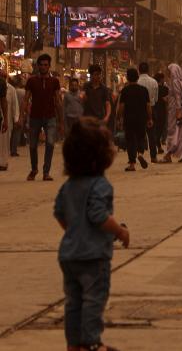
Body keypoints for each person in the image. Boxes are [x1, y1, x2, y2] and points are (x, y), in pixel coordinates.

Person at [53, 118, 129, 351]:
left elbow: (60, 214)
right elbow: (98, 216)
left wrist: (75, 231)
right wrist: (120, 231)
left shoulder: (68, 186)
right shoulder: (100, 184)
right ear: (100, 157)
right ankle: (91, 343)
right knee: (94, 300)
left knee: (73, 302)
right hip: (93, 257)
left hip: (69, 255)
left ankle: (74, 344)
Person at [24, 54, 63, 181]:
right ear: (38, 66)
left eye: (45, 65)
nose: (43, 67)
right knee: (32, 145)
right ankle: (34, 169)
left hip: (50, 117)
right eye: (41, 65)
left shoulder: (55, 81)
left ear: (49, 66)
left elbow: (58, 101)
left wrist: (61, 120)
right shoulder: (31, 81)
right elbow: (26, 99)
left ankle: (46, 172)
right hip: (35, 117)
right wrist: (22, 116)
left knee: (50, 144)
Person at [116, 68, 153, 172]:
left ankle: (132, 164)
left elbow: (121, 106)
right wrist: (150, 118)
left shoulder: (125, 90)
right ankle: (140, 154)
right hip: (141, 118)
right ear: (137, 77)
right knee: (141, 137)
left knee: (130, 140)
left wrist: (119, 118)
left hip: (129, 119)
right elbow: (148, 106)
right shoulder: (144, 90)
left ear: (127, 78)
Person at [137, 62, 160, 165]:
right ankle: (153, 157)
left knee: (140, 133)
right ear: (148, 70)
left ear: (139, 70)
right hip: (151, 108)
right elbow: (156, 98)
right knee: (152, 134)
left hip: (139, 111)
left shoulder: (137, 82)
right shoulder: (154, 82)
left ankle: (140, 153)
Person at [153, 72, 168, 153]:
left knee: (154, 129)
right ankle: (157, 143)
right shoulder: (165, 89)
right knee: (160, 129)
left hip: (153, 109)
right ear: (161, 79)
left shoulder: (152, 88)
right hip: (161, 111)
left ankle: (158, 146)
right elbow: (167, 101)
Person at [0, 69, 11, 171]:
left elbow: (3, 101)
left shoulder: (1, 83)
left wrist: (6, 120)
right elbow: (3, 102)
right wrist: (6, 120)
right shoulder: (2, 82)